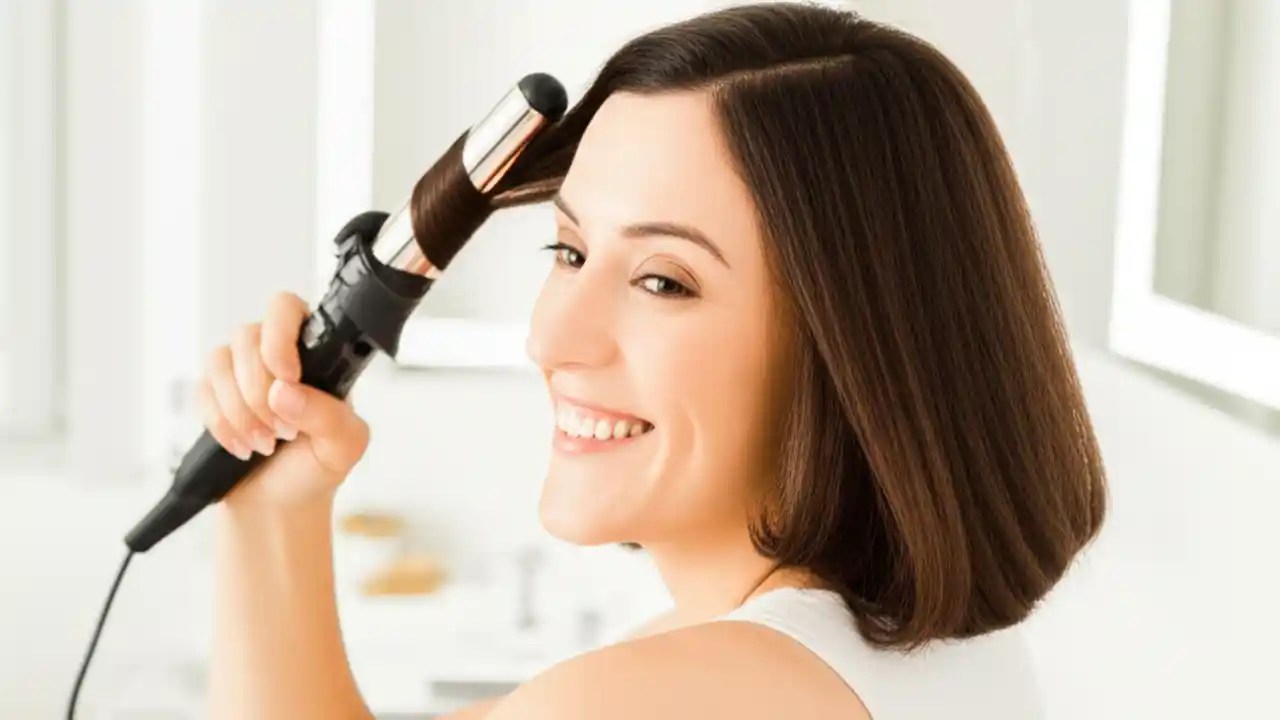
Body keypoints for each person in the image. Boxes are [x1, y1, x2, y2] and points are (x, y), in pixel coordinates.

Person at [200, 3, 1108, 718]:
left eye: (663, 281)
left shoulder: (642, 700)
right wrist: (275, 508)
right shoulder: (906, 648)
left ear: (855, 347)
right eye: (569, 252)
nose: (551, 340)